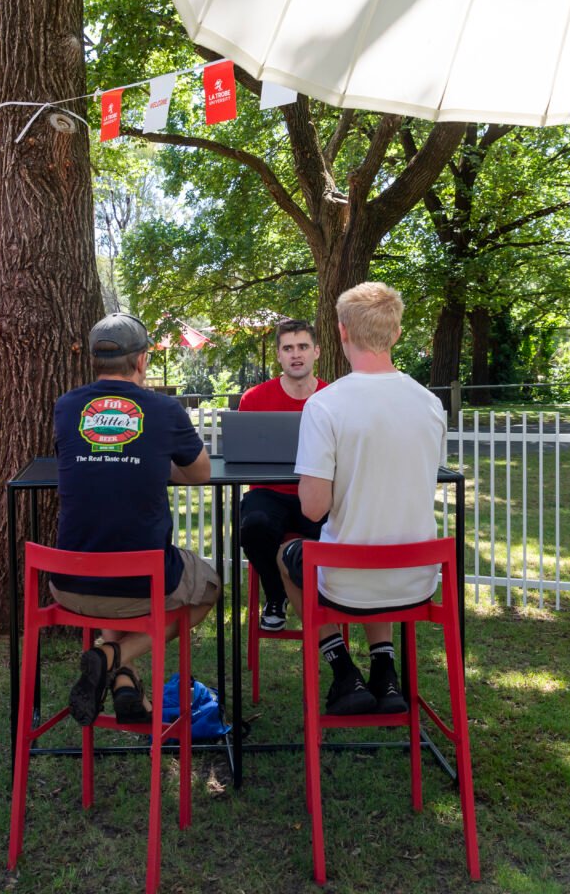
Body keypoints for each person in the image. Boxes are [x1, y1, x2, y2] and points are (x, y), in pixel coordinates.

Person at [276, 283, 447, 715]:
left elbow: (313, 508)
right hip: (417, 579)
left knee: (286, 554)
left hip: (348, 582)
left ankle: (342, 668)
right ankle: (385, 671)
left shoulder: (325, 405)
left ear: (342, 332)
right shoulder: (430, 404)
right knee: (378, 541)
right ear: (397, 333)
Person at [50, 312, 220, 725]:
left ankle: (126, 684)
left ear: (94, 359)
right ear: (142, 360)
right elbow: (200, 474)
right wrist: (155, 465)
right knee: (209, 587)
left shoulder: (66, 406)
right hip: (141, 584)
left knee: (113, 562)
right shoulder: (163, 409)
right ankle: (112, 655)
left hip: (68, 584)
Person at [237, 318, 327, 631]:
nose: (296, 354)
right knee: (253, 525)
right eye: (288, 348)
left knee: (343, 526)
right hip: (269, 494)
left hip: (319, 493)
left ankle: (327, 597)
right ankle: (276, 595)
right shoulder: (254, 398)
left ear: (316, 351)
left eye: (303, 346)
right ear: (278, 355)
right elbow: (243, 456)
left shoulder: (333, 397)